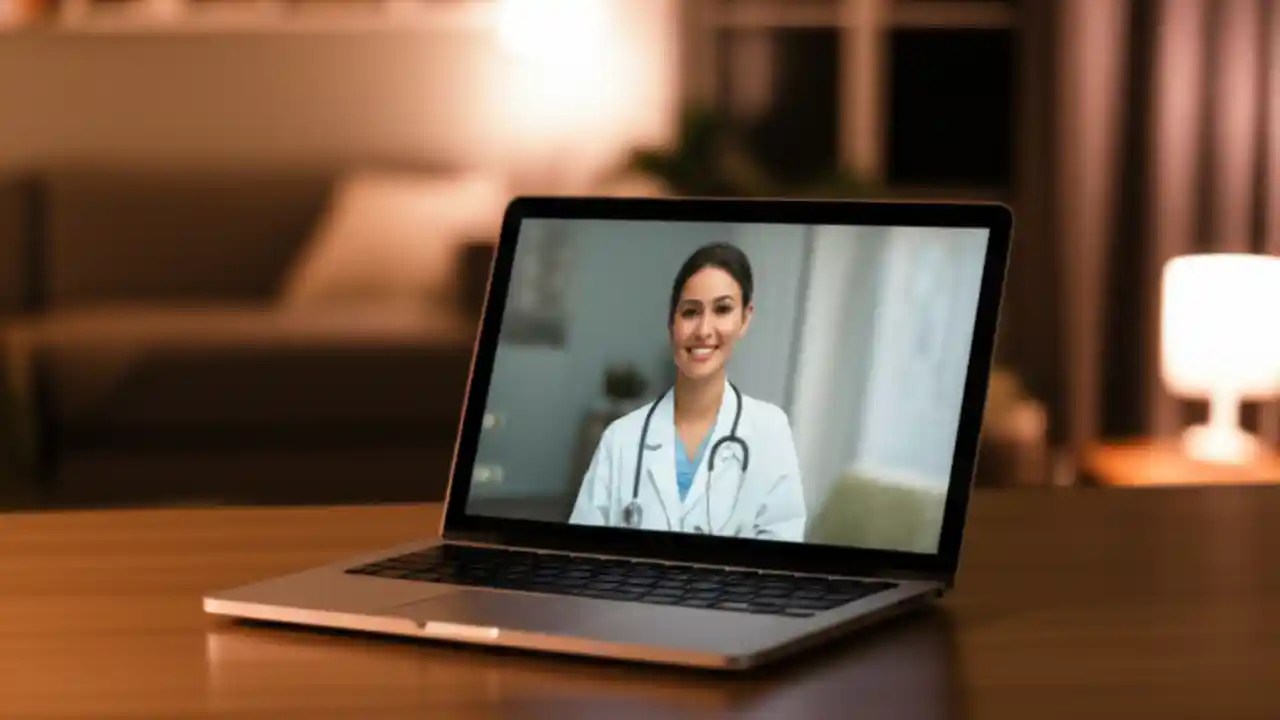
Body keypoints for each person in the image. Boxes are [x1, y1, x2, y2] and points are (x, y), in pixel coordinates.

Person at [569, 242, 806, 541]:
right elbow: (582, 553)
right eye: (691, 312)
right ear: (672, 322)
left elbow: (781, 558)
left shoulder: (770, 431)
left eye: (722, 309)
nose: (704, 329)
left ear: (745, 318)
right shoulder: (620, 439)